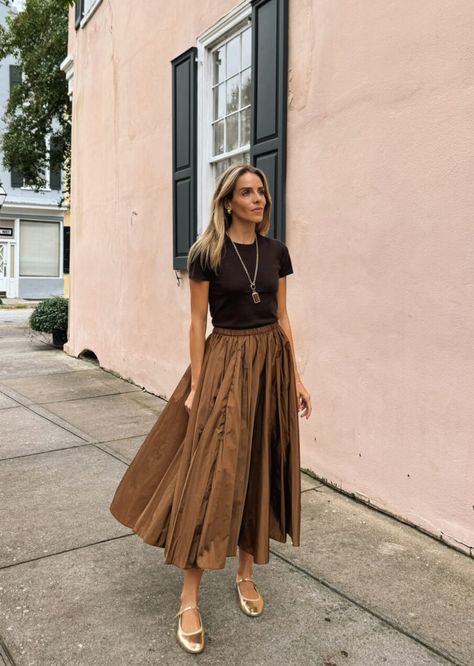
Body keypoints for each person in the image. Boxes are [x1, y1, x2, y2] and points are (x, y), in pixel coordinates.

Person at [109, 163, 312, 654]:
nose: (258, 199)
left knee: (259, 466)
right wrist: (198, 385)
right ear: (228, 202)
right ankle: (190, 597)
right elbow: (197, 322)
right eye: (247, 192)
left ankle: (245, 574)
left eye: (261, 191)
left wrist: (297, 376)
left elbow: (282, 315)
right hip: (225, 363)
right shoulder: (208, 255)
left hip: (270, 365)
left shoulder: (276, 253)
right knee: (211, 476)